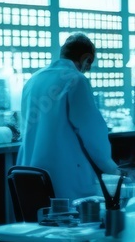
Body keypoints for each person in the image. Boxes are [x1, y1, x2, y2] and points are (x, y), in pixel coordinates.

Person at [17, 32, 120, 202]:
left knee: (40, 216)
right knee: (77, 215)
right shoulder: (76, 80)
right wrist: (111, 168)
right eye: (89, 64)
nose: (87, 70)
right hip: (63, 178)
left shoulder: (33, 80)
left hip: (29, 175)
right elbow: (91, 131)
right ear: (86, 58)